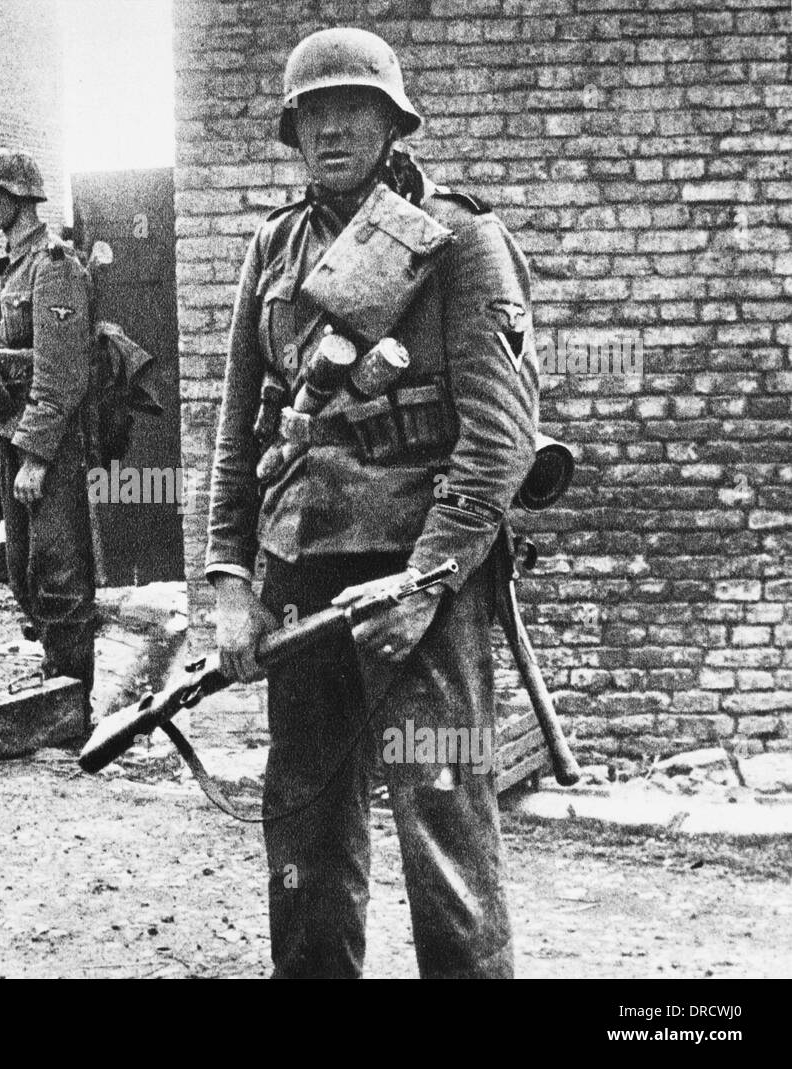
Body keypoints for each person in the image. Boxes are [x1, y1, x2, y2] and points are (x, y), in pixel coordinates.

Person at [205, 27, 539, 978]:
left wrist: (425, 583)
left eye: (354, 109)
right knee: (304, 832)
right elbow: (237, 431)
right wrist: (232, 579)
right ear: (293, 129)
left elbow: (499, 439)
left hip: (422, 581)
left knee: (444, 828)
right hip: (302, 575)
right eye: (312, 113)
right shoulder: (273, 248)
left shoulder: (463, 243)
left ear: (394, 126)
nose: (331, 128)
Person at [0, 149, 96, 726]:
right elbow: (8, 368)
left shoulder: (54, 264)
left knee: (58, 569)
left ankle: (72, 703)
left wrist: (37, 456)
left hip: (51, 443)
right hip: (15, 438)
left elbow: (63, 371)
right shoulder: (13, 267)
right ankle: (55, 674)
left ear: (19, 198)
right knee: (21, 570)